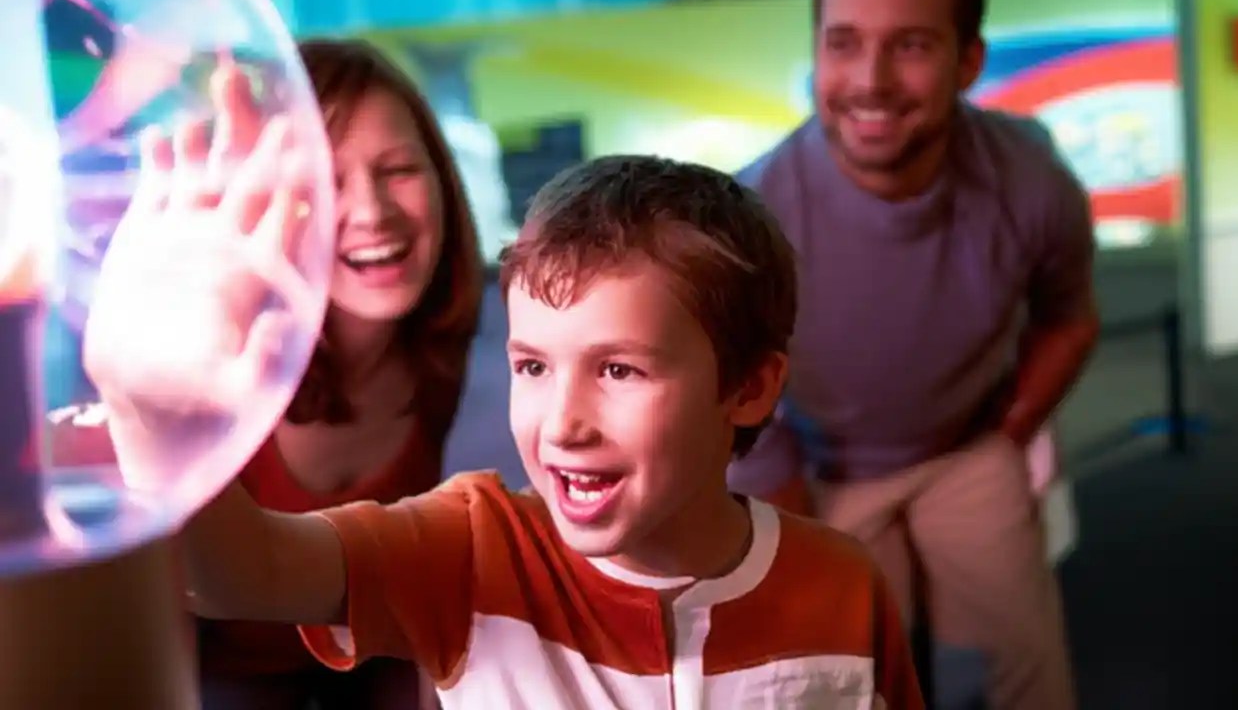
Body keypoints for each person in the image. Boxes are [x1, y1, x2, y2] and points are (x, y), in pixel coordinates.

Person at [82, 69, 925, 706]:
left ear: (749, 386)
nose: (562, 423)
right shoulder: (470, 546)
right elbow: (238, 571)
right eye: (532, 366)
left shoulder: (846, 588)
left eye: (620, 369)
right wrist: (154, 414)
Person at [50, 38, 483, 709]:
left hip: (371, 659)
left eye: (398, 170)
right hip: (219, 676)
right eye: (327, 181)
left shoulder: (474, 358)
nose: (371, 212)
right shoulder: (207, 369)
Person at [726, 0, 1100, 709]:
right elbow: (739, 403)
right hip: (820, 471)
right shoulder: (755, 213)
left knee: (1030, 671)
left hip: (968, 447)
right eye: (843, 43)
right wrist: (797, 542)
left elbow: (1069, 320)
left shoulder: (1030, 178)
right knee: (849, 680)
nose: (870, 81)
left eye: (911, 46)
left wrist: (1008, 433)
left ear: (969, 63)